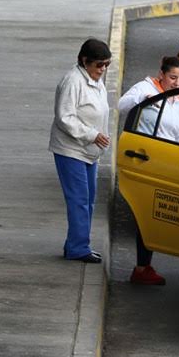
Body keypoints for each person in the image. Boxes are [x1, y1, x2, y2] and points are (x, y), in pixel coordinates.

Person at [118, 56, 179, 285]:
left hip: (168, 164)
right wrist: (143, 100)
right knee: (147, 215)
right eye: (173, 77)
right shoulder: (145, 89)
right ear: (161, 74)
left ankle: (144, 265)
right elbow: (122, 105)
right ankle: (142, 267)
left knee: (162, 216)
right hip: (146, 161)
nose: (177, 83)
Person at [49, 38, 112, 264]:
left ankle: (76, 243)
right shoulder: (72, 81)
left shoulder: (96, 81)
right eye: (99, 64)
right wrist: (91, 135)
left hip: (90, 151)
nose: (102, 69)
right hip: (71, 149)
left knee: (89, 199)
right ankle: (78, 247)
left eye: (106, 65)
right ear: (85, 61)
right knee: (79, 199)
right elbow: (64, 117)